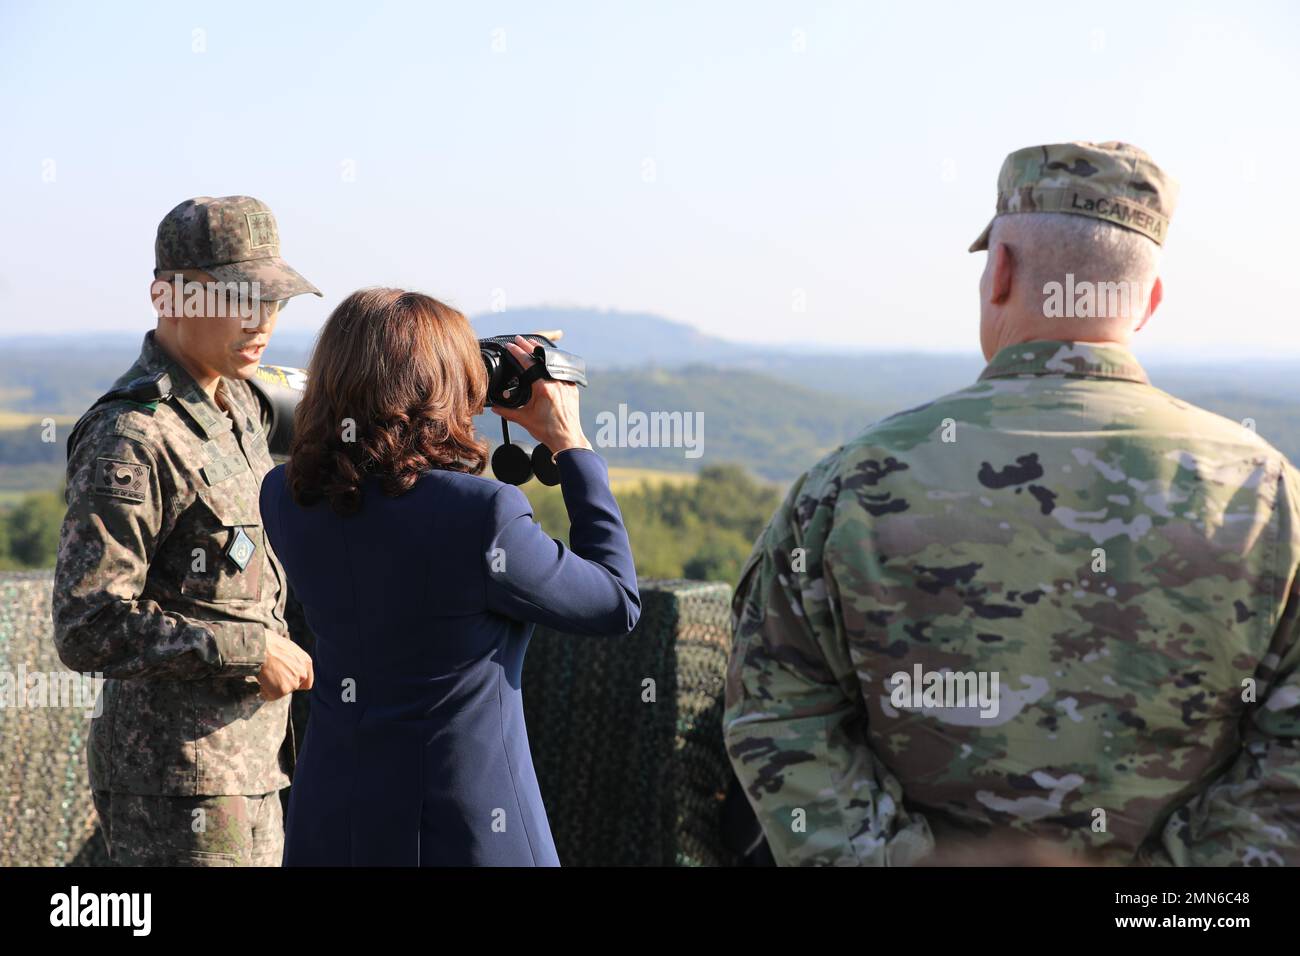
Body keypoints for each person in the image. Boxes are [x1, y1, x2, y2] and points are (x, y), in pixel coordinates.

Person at [724, 141, 1300, 866]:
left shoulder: (848, 485)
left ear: (999, 273)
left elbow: (778, 712)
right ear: (1150, 301)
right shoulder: (1269, 494)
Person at [260, 288, 640, 866]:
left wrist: (450, 371)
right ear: (443, 388)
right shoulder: (482, 516)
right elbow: (616, 602)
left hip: (330, 822)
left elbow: (370, 487)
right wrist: (571, 445)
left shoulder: (286, 499)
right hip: (464, 833)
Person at [52, 196, 322, 866]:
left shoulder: (239, 406)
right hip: (178, 788)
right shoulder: (131, 434)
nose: (264, 322)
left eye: (275, 301)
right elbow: (87, 625)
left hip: (252, 768)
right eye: (240, 300)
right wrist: (246, 649)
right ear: (171, 297)